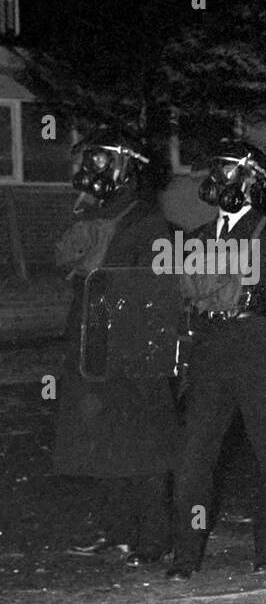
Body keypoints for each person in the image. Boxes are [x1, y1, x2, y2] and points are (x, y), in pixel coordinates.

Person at [167, 140, 266, 579]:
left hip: (256, 350)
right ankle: (186, 554)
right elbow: (182, 303)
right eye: (215, 172)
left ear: (250, 182)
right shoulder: (196, 238)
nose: (216, 181)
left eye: (226, 172)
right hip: (210, 352)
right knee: (194, 459)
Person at [52, 127, 177, 566]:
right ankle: (117, 530)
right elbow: (69, 265)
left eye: (101, 161)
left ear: (127, 168)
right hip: (93, 349)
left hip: (132, 351)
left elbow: (155, 292)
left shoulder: (148, 222)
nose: (90, 170)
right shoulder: (92, 217)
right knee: (100, 443)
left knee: (144, 448)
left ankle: (154, 539)